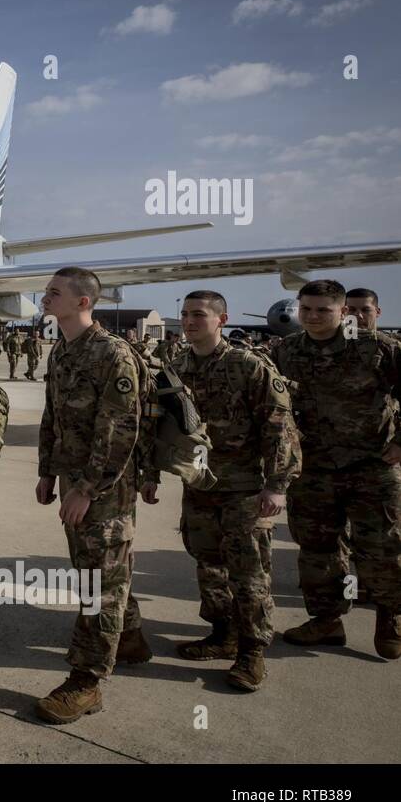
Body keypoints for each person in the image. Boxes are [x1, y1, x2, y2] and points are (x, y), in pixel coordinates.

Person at [140, 291, 300, 691]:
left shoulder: (248, 365)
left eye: (199, 315)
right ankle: (222, 634)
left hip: (244, 488)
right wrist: (151, 474)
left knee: (249, 575)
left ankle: (252, 652)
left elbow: (279, 428)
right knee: (208, 565)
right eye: (185, 315)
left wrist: (277, 486)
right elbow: (160, 425)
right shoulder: (175, 367)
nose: (190, 321)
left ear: (221, 319)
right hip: (199, 485)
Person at [34, 267, 149, 724]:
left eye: (54, 293)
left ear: (84, 302)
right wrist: (47, 472)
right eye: (46, 291)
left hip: (105, 488)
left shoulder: (112, 355)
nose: (45, 298)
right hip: (72, 482)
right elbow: (52, 416)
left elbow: (120, 430)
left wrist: (85, 488)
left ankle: (87, 683)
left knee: (97, 584)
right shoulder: (62, 350)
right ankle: (133, 639)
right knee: (98, 572)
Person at [273, 280, 401, 659]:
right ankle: (327, 620)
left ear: (342, 311)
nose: (312, 317)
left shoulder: (377, 349)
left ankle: (390, 616)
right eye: (306, 309)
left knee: (381, 549)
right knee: (318, 551)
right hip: (312, 469)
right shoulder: (287, 351)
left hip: (372, 466)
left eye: (323, 310)